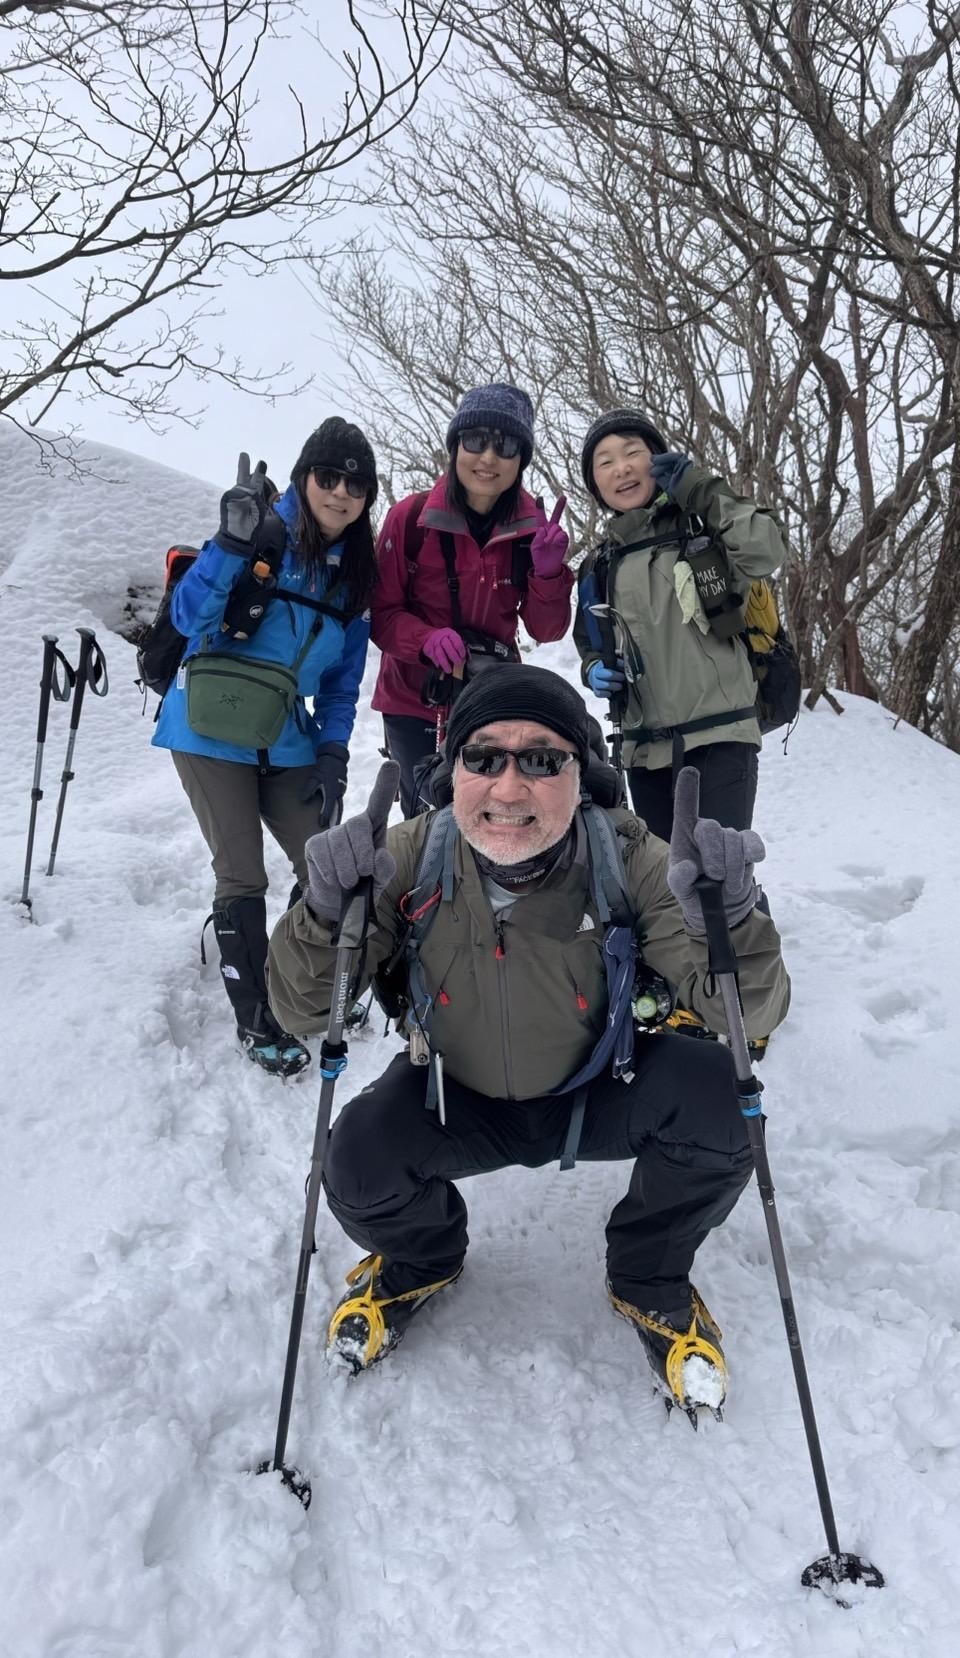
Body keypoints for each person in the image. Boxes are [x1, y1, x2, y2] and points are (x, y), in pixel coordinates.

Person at [267, 667, 790, 1418]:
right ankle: (424, 1258)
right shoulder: (406, 856)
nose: (509, 789)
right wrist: (322, 914)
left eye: (543, 759)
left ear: (582, 773)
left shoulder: (630, 855)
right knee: (354, 1160)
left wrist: (728, 921)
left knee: (724, 1105)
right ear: (452, 774)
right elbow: (302, 1009)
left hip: (600, 1086)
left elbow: (750, 1010)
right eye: (485, 757)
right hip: (459, 1094)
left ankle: (648, 1275)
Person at [153, 418, 378, 1077]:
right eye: (327, 476)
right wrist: (228, 543)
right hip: (204, 729)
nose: (339, 492)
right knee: (242, 874)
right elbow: (188, 618)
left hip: (283, 736)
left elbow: (340, 684)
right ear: (305, 476)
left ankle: (300, 979)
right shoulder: (261, 537)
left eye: (355, 483)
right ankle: (257, 1019)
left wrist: (333, 753)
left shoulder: (354, 580)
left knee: (325, 866)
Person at [575, 407, 788, 841]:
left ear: (656, 461)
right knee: (666, 887)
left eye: (633, 452)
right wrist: (593, 669)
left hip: (721, 734)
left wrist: (700, 488)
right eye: (605, 462)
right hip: (643, 748)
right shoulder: (598, 565)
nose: (622, 468)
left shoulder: (701, 530)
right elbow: (592, 641)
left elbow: (766, 550)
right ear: (595, 484)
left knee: (718, 875)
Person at [370, 383, 573, 817]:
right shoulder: (410, 519)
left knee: (492, 814)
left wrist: (549, 573)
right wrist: (424, 638)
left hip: (492, 697)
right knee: (427, 816)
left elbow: (546, 629)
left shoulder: (530, 531)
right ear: (455, 445)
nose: (488, 457)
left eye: (506, 445)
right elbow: (382, 615)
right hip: (414, 699)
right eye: (475, 440)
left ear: (521, 459)